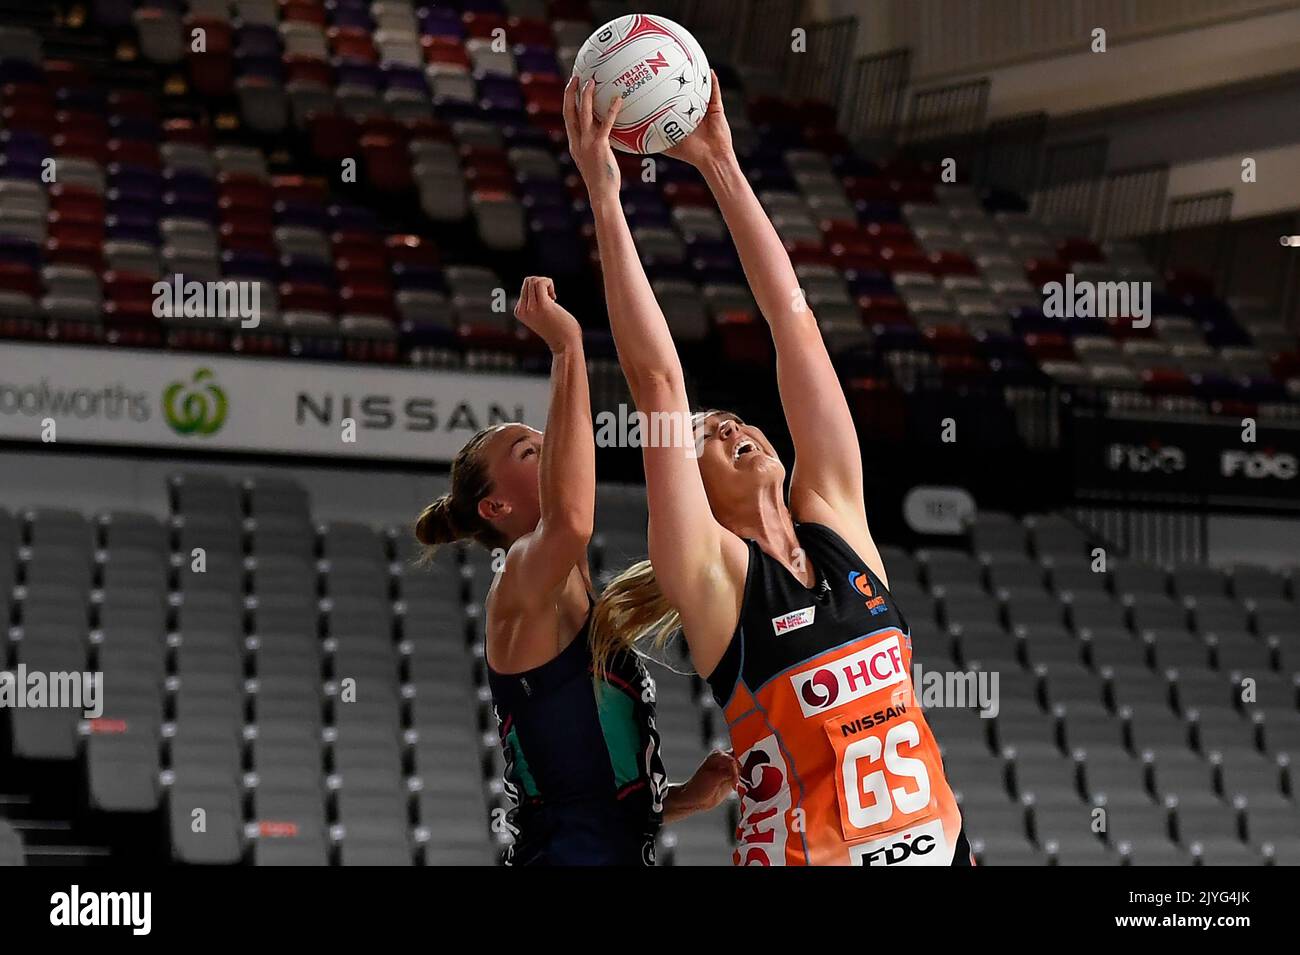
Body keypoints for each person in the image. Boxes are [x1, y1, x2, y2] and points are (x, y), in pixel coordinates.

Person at [567, 75, 970, 866]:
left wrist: (720, 163)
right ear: (696, 495)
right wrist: (606, 198)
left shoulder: (837, 520)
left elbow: (794, 323)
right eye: (709, 436)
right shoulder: (716, 577)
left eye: (735, 419)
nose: (732, 425)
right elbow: (657, 383)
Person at [414, 275, 737, 866]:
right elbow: (570, 521)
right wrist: (567, 349)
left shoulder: (585, 601)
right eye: (531, 451)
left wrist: (685, 799)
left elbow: (581, 796)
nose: (553, 450)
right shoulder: (516, 581)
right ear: (496, 508)